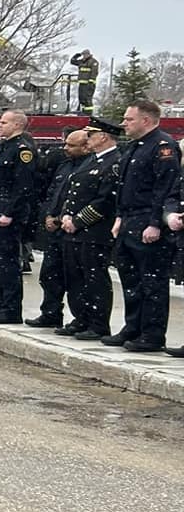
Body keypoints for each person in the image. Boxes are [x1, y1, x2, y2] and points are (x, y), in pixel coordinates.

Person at [106, 99, 178, 352]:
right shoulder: (135, 147)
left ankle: (152, 334)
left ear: (145, 120)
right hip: (129, 220)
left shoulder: (162, 146)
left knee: (152, 283)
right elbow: (124, 188)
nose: (124, 123)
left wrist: (155, 223)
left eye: (129, 119)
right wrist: (119, 217)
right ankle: (133, 327)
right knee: (131, 280)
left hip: (148, 221)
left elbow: (164, 188)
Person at [58, 117, 124, 340]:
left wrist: (77, 221)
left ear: (103, 136)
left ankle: (98, 324)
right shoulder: (91, 160)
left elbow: (104, 201)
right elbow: (73, 190)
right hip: (73, 231)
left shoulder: (114, 162)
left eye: (91, 134)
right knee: (75, 278)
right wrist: (66, 215)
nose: (87, 139)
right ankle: (81, 317)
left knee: (94, 278)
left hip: (94, 231)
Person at [0, 109, 39, 324]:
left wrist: (9, 213)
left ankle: (11, 308)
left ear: (17, 125)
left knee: (7, 263)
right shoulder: (2, 147)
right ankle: (0, 302)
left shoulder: (23, 150)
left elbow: (23, 186)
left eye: (4, 122)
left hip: (9, 212)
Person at [28, 128, 87, 330]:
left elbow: (79, 199)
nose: (66, 148)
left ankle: (82, 318)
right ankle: (51, 312)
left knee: (74, 278)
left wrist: (63, 219)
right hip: (55, 228)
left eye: (71, 145)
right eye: (66, 144)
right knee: (49, 274)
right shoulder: (64, 165)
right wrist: (49, 215)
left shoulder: (87, 167)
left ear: (85, 147)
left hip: (74, 228)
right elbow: (53, 193)